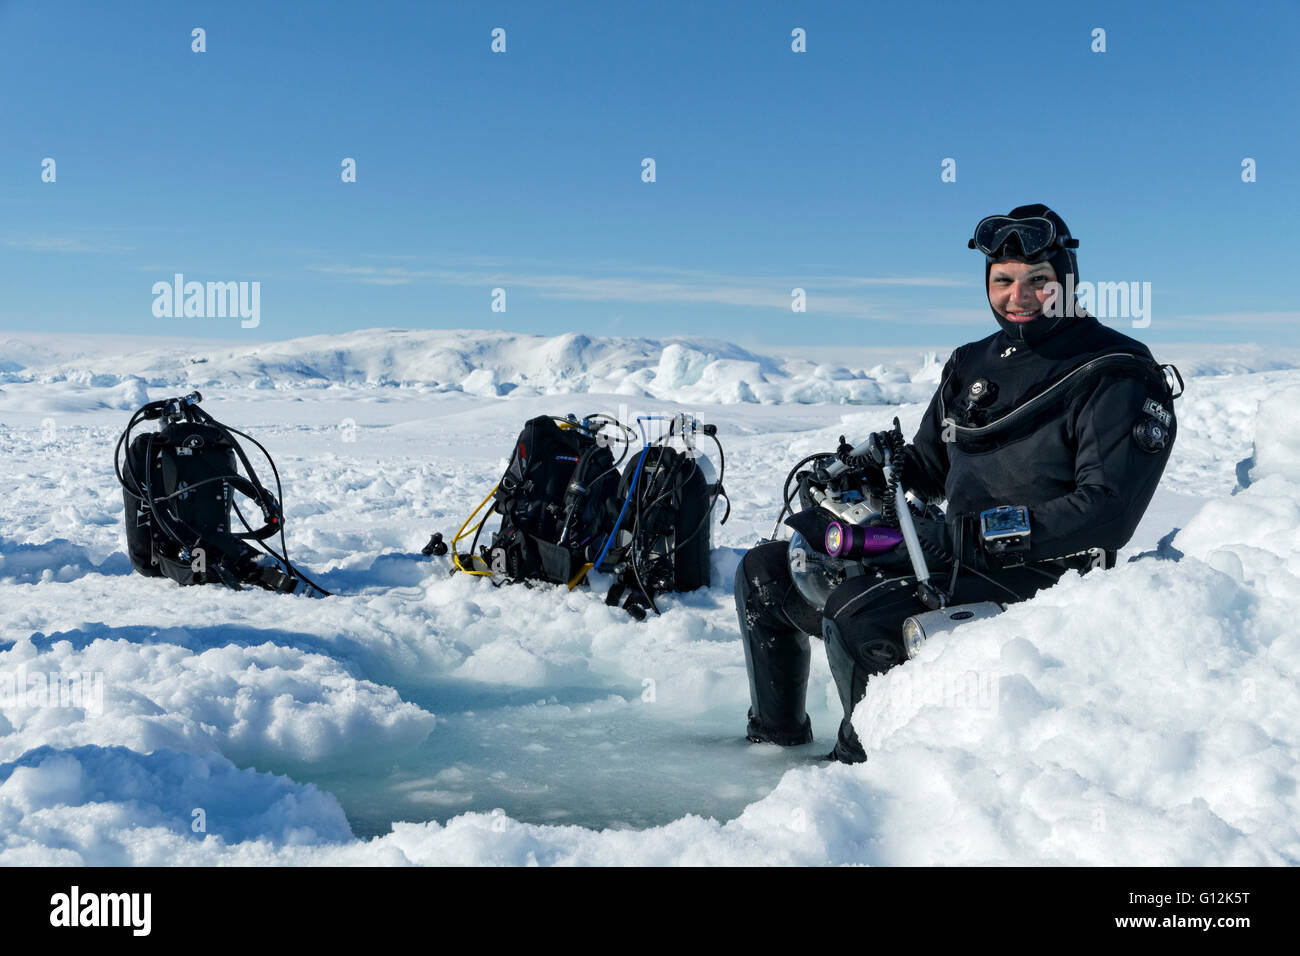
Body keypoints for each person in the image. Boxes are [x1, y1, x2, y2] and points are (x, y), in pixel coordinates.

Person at [736, 204, 1179, 763]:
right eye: (1003, 280)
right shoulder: (971, 363)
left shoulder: (1116, 370)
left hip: (1046, 574)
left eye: (1038, 280)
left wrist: (976, 537)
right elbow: (929, 467)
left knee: (858, 613)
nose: (1019, 294)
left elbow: (1107, 512)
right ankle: (769, 752)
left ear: (1066, 280)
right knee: (766, 573)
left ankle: (858, 785)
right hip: (950, 556)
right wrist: (866, 473)